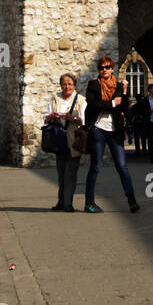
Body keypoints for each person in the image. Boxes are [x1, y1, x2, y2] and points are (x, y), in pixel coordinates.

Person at [84, 57, 139, 213]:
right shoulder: (93, 85)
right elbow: (92, 105)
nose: (104, 70)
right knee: (95, 166)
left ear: (112, 69)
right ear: (99, 70)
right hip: (98, 129)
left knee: (122, 166)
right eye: (102, 67)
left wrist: (125, 92)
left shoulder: (119, 86)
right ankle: (89, 203)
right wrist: (112, 103)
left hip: (115, 131)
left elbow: (125, 108)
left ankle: (132, 201)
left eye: (107, 67)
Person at [45, 73, 87, 211]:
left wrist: (72, 119)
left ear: (74, 86)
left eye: (70, 84)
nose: (67, 87)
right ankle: (61, 201)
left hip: (74, 140)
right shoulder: (55, 98)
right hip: (59, 140)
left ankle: (68, 203)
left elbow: (83, 121)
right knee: (61, 172)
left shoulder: (81, 100)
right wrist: (52, 116)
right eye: (64, 84)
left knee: (71, 173)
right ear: (61, 85)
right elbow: (45, 118)